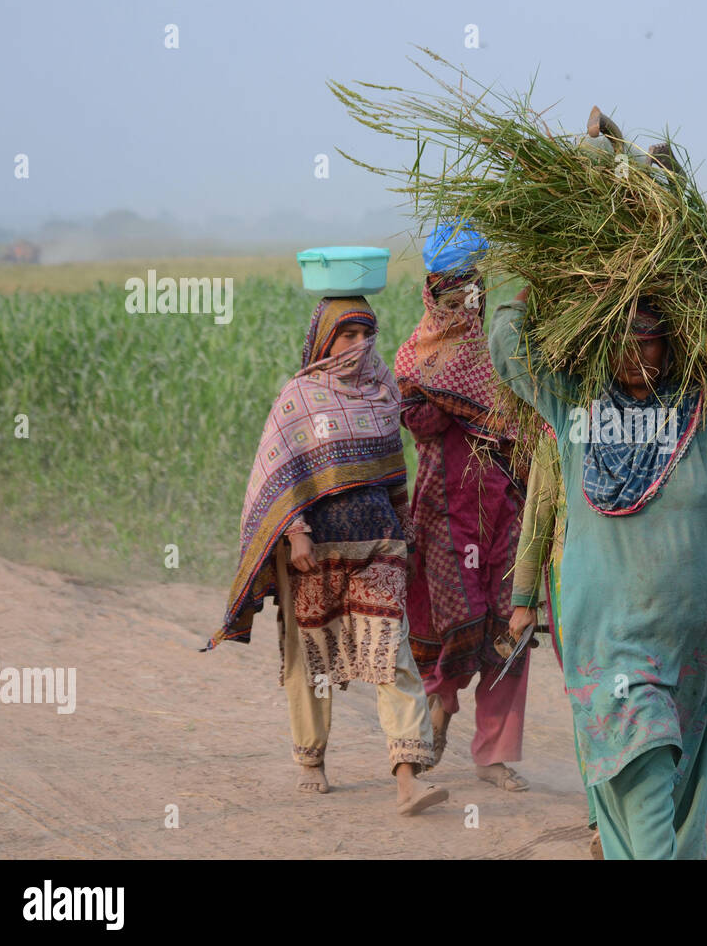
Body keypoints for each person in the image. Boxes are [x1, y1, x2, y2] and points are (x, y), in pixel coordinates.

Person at [490, 288, 707, 859]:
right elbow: (510, 355)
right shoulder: (575, 412)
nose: (637, 355)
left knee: (670, 775)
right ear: (603, 347)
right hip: (611, 636)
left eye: (650, 342)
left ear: (669, 348)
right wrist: (521, 297)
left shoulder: (702, 414)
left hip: (690, 641)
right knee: (645, 748)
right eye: (624, 343)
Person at [205, 295, 446, 816]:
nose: (360, 346)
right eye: (347, 336)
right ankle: (311, 757)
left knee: (391, 656)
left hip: (377, 546)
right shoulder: (299, 398)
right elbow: (277, 477)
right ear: (323, 341)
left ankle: (408, 778)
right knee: (310, 659)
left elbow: (393, 472)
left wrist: (407, 532)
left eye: (367, 334)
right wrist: (295, 534)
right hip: (315, 552)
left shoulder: (384, 391)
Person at [396, 223, 530, 793]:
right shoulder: (414, 354)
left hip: (503, 505)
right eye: (449, 293)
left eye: (469, 292)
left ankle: (493, 754)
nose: (460, 303)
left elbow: (522, 414)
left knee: (510, 628)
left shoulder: (497, 349)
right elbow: (418, 421)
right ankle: (441, 708)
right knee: (454, 623)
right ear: (432, 293)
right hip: (444, 511)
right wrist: (440, 392)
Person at [508, 430, 604, 857]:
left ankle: (653, 805)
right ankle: (603, 812)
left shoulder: (659, 414)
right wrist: (524, 600)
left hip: (649, 582)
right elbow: (539, 511)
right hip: (576, 582)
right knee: (591, 696)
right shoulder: (561, 427)